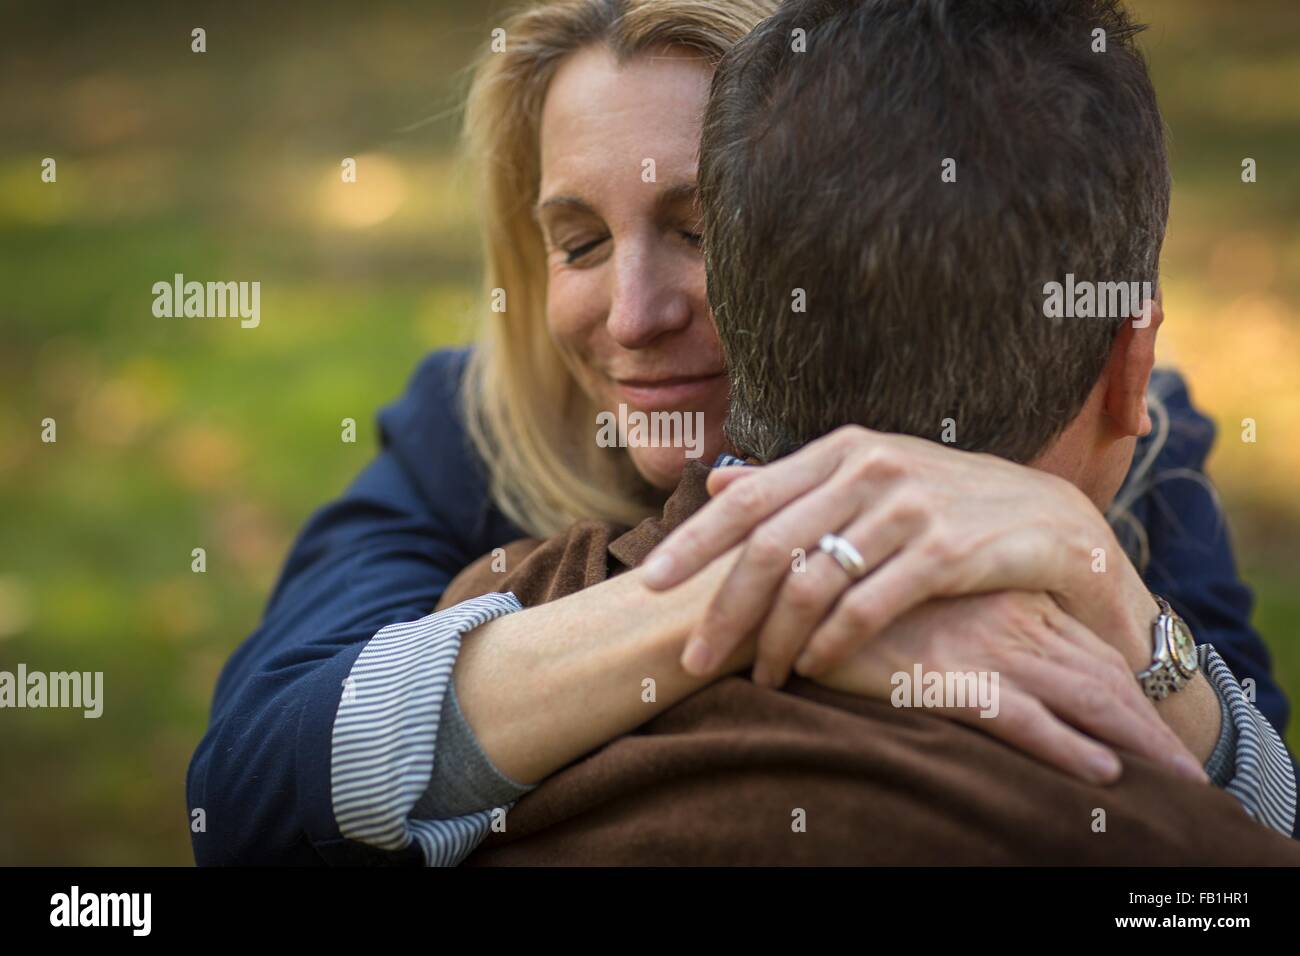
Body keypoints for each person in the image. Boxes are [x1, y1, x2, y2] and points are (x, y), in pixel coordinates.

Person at [186, 0, 1292, 866]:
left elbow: (1261, 812)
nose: (632, 314)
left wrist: (1107, 591)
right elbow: (241, 798)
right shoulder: (468, 424)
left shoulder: (1110, 416)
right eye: (576, 243)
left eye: (699, 228)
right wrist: (759, 596)